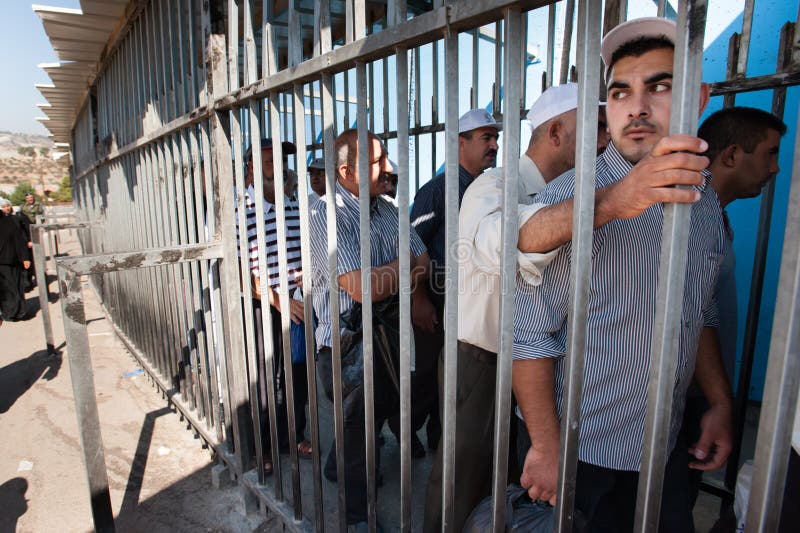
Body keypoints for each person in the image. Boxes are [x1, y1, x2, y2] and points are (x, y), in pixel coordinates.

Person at [512, 17, 733, 531]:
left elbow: (698, 311)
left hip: (664, 444)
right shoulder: (567, 200)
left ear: (697, 98)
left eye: (660, 86)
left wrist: (720, 402)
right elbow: (528, 336)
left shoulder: (705, 204)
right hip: (579, 450)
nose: (637, 107)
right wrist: (545, 446)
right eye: (620, 92)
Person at [435, 83, 609, 532]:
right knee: (464, 484)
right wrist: (602, 206)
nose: (606, 140)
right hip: (481, 361)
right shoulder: (495, 185)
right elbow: (498, 243)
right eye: (596, 127)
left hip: (534, 364)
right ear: (556, 133)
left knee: (512, 491)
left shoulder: (570, 188)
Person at [308, 129, 429, 531]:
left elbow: (424, 260)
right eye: (376, 161)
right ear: (345, 170)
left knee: (373, 420)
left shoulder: (388, 210)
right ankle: (357, 518)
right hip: (345, 349)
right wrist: (402, 268)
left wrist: (390, 274)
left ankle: (336, 463)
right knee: (360, 437)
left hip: (387, 341)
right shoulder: (325, 216)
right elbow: (361, 287)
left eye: (384, 157)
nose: (388, 167)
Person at [680, 106, 786, 505]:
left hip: (699, 389)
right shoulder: (688, 214)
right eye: (769, 153)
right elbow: (689, 312)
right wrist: (716, 399)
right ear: (731, 156)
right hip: (686, 393)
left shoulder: (712, 215)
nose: (775, 167)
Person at [420, 108, 504, 531]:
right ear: (459, 143)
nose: (493, 144)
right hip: (441, 318)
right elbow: (413, 244)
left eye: (495, 137)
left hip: (474, 321)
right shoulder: (441, 190)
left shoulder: (493, 188)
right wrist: (420, 299)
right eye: (484, 137)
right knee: (443, 408)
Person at [242, 137, 311, 474]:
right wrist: (276, 298)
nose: (278, 164)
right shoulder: (242, 210)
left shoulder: (294, 205)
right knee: (267, 381)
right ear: (252, 167)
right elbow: (243, 274)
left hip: (297, 304)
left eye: (281, 158)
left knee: (298, 376)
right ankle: (263, 447)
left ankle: (291, 437)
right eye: (268, 158)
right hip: (264, 305)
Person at [0, 198, 30, 322]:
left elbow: (19, 240)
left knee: (16, 285)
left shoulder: (12, 220)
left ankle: (19, 311)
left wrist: (25, 258)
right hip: (3, 262)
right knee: (6, 288)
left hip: (14, 259)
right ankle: (10, 312)